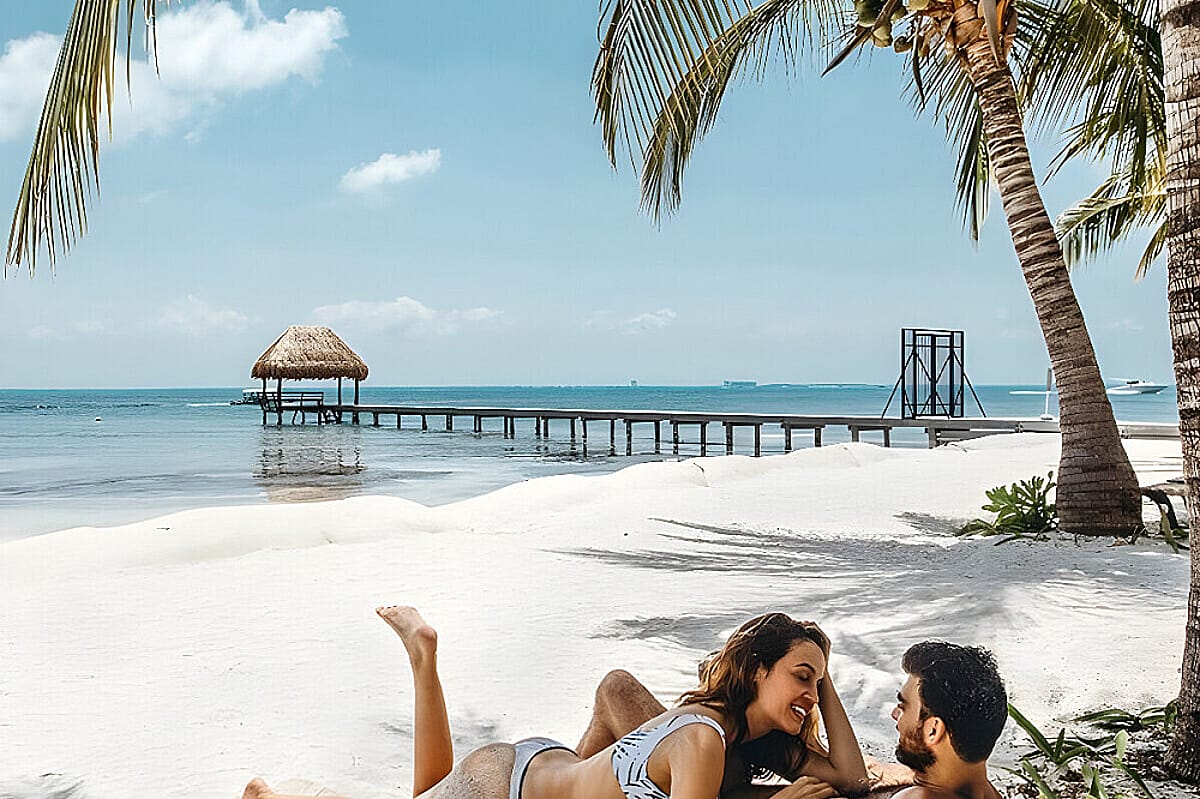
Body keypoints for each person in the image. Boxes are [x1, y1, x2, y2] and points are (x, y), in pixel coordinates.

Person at [242, 607, 870, 799]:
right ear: (757, 671)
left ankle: (423, 660)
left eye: (818, 682)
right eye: (801, 677)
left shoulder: (738, 742)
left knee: (426, 791)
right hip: (505, 785)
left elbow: (848, 777)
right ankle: (423, 660)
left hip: (544, 763)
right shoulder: (704, 740)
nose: (811, 694)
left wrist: (821, 667)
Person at [888, 641, 1007, 799]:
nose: (894, 714)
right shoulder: (987, 793)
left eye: (903, 707)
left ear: (933, 730)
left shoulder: (918, 797)